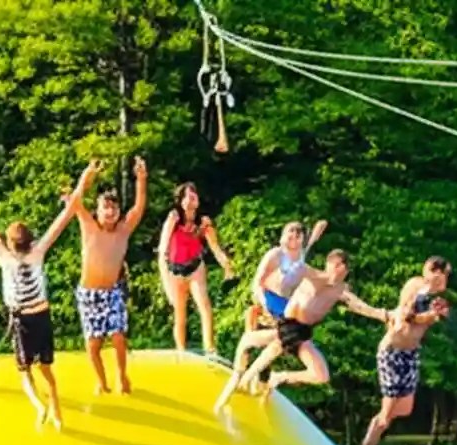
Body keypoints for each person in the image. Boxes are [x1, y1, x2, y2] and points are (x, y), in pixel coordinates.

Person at [0, 166, 85, 429]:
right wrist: (85, 179)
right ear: (30, 241)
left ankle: (40, 405)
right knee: (46, 369)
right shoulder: (39, 251)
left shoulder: (4, 256)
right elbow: (66, 216)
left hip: (23, 319)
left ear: (10, 243)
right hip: (41, 315)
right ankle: (55, 409)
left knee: (25, 371)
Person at [215, 249, 387, 411]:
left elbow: (359, 306)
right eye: (341, 268)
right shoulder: (311, 275)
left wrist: (382, 315)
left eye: (344, 270)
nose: (343, 273)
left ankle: (279, 377)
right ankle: (239, 383)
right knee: (263, 348)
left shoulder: (340, 290)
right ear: (334, 265)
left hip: (303, 333)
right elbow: (289, 271)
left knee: (321, 375)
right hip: (287, 324)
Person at [356, 256, 452, 445]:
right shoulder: (416, 286)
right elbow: (408, 316)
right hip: (392, 352)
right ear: (433, 271)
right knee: (386, 414)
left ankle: (377, 426)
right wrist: (430, 314)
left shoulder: (435, 298)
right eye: (444, 274)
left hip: (410, 354)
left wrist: (439, 315)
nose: (446, 279)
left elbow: (431, 319)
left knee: (406, 408)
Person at [73, 157, 147, 395]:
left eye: (114, 208)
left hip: (112, 292)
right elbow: (75, 202)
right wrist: (87, 175)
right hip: (89, 294)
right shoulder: (89, 226)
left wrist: (141, 179)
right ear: (98, 211)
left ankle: (122, 376)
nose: (110, 212)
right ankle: (101, 381)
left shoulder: (123, 231)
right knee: (93, 344)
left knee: (117, 336)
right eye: (106, 207)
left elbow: (138, 208)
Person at [157, 182, 235, 356]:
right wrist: (166, 281)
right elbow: (162, 249)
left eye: (194, 194)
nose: (192, 198)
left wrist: (227, 267)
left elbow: (215, 248)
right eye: (187, 195)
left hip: (195, 268)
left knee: (204, 306)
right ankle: (181, 351)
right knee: (180, 314)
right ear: (181, 200)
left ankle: (210, 348)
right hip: (174, 271)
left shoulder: (203, 222)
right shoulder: (174, 218)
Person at [244, 219, 328, 332]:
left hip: (285, 302)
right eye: (291, 231)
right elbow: (257, 282)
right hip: (270, 298)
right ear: (282, 238)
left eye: (298, 233)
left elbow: (315, 235)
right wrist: (264, 303)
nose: (294, 234)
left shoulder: (300, 256)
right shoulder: (275, 254)